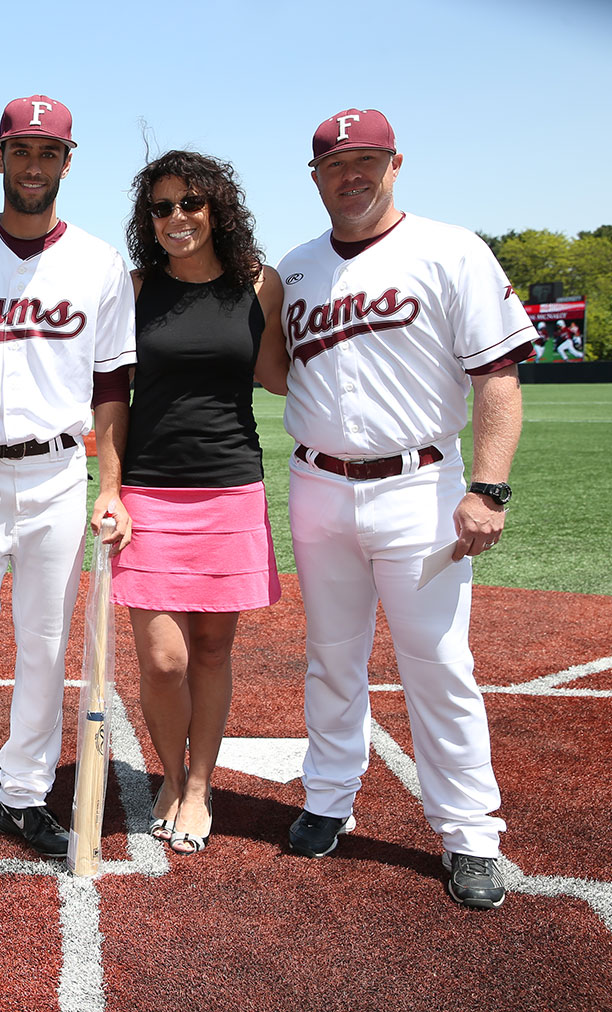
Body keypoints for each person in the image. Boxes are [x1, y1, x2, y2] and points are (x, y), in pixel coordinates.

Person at [280, 108, 531, 909]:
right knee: (330, 655)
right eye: (335, 165)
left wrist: (487, 487)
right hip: (318, 483)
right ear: (314, 176)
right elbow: (279, 373)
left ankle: (470, 834)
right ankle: (327, 800)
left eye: (368, 161)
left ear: (395, 164)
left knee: (438, 663)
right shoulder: (293, 269)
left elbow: (498, 379)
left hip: (418, 485)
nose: (352, 176)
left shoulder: (451, 249)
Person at [0, 95, 136, 864]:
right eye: (21, 149)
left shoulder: (100, 262)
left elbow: (113, 385)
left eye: (49, 151)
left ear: (67, 162)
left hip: (58, 470)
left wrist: (110, 485)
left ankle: (24, 794)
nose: (34, 164)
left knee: (44, 645)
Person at [109, 150, 289, 855]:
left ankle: (196, 784)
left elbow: (276, 374)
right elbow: (111, 398)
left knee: (212, 649)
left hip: (230, 487)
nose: (177, 218)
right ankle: (170, 768)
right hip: (150, 494)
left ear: (218, 208)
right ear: (146, 220)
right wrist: (112, 487)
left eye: (191, 203)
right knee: (163, 661)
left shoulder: (259, 284)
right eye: (161, 208)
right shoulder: (132, 288)